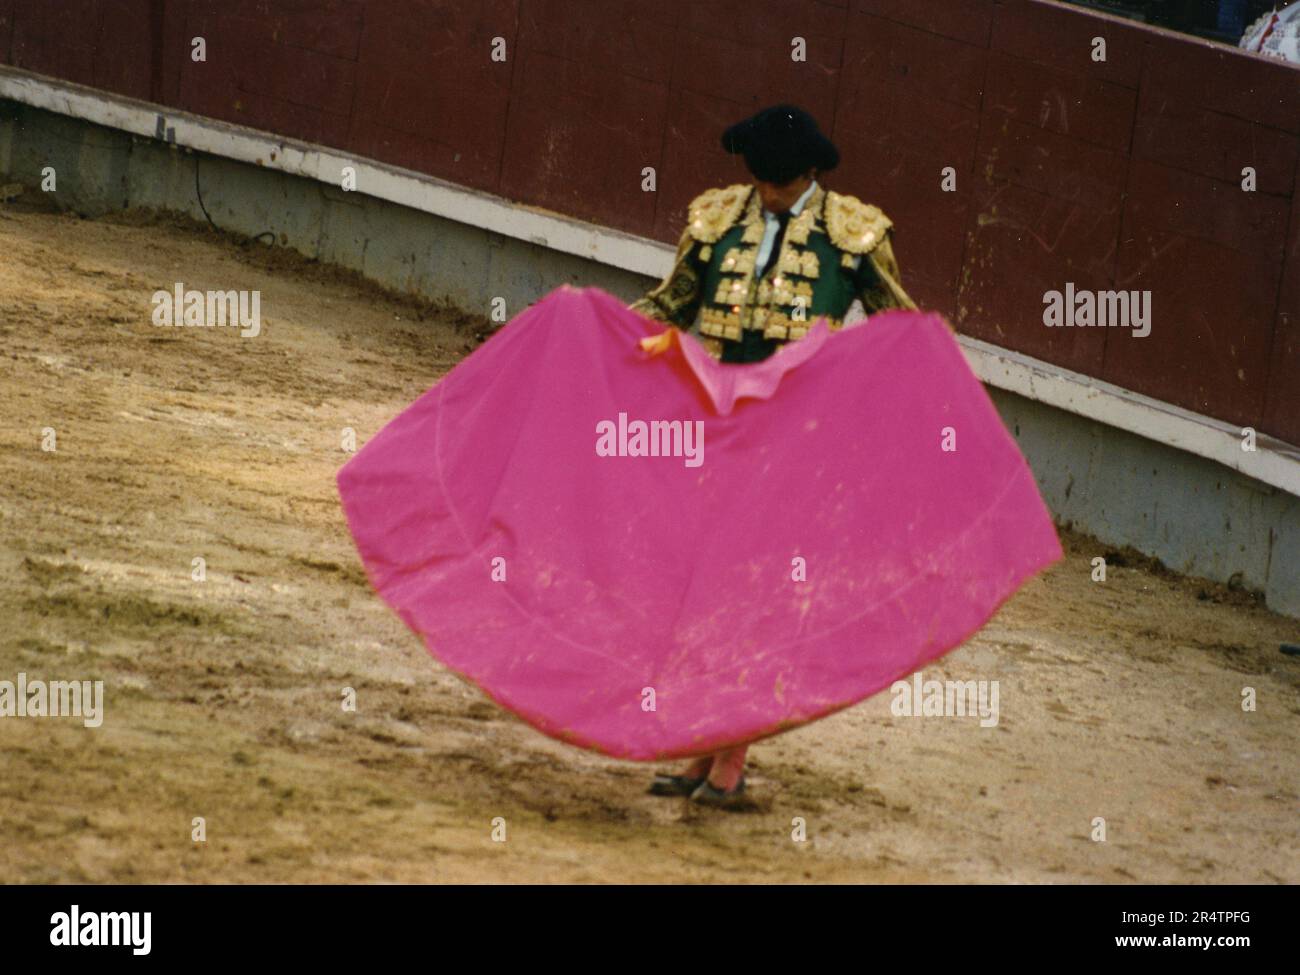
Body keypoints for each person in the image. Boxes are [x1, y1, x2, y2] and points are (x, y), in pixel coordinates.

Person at [631, 104, 917, 807]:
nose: (766, 195)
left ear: (809, 173)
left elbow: (903, 334)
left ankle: (730, 757)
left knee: (751, 594)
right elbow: (672, 304)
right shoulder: (719, 216)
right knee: (698, 586)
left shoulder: (854, 234)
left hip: (796, 436)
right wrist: (596, 330)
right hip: (716, 421)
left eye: (779, 185)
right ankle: (704, 747)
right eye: (759, 182)